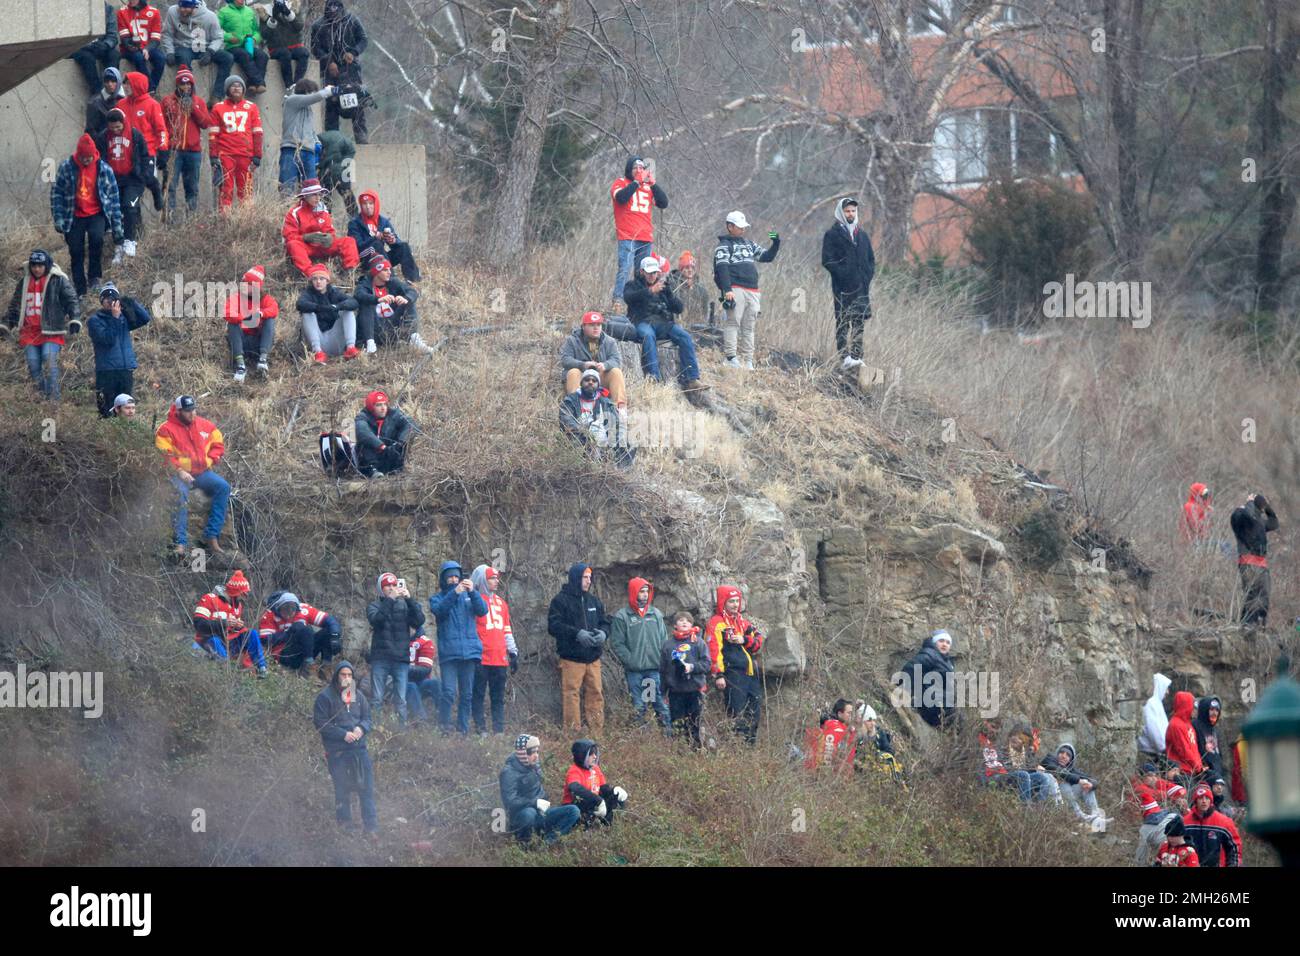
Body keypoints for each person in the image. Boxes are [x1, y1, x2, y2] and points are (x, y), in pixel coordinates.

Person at [2, 250, 81, 402]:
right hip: (29, 332)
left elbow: (71, 300)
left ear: (46, 265)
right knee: (33, 366)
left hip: (51, 329)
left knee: (49, 360)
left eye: (40, 266)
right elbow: (15, 305)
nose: (37, 269)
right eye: (34, 266)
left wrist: (75, 318)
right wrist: (6, 323)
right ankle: (43, 398)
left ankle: (54, 401)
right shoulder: (24, 282)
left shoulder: (58, 279)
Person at [50, 135, 124, 299]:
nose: (86, 160)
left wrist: (117, 226)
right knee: (76, 251)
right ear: (78, 154)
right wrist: (58, 218)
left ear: (94, 154)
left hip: (96, 214)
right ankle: (80, 287)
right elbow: (57, 194)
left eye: (89, 157)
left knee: (96, 242)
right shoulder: (66, 167)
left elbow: (114, 197)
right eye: (83, 157)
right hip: (73, 215)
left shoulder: (104, 169)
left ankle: (94, 278)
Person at [155, 395, 229, 557]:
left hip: (202, 473)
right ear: (178, 411)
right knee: (180, 495)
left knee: (223, 487)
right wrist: (180, 471)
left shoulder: (206, 425)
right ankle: (180, 542)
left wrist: (211, 459)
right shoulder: (165, 429)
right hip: (177, 475)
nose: (192, 414)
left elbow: (218, 444)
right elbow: (163, 455)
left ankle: (211, 535)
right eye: (188, 411)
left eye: (193, 410)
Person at [622, 255, 706, 392]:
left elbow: (679, 308)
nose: (652, 275)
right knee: (648, 337)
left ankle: (692, 378)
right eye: (649, 273)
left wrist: (669, 295)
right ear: (642, 272)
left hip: (663, 323)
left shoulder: (664, 287)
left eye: (654, 272)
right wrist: (649, 291)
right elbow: (629, 298)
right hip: (642, 322)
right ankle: (654, 378)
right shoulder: (632, 285)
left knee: (685, 337)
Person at [313, 660, 378, 835]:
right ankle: (345, 828)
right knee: (342, 791)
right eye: (343, 674)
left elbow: (368, 719)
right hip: (338, 752)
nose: (347, 678)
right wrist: (343, 734)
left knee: (367, 789)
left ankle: (371, 828)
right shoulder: (325, 696)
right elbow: (321, 724)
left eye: (350, 675)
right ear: (337, 676)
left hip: (359, 749)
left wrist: (361, 728)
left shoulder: (357, 695)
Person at [425, 561, 487, 734]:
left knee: (467, 695)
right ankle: (444, 726)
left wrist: (473, 592)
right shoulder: (437, 598)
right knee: (449, 692)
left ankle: (463, 730)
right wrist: (454, 593)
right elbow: (440, 611)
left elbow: (482, 611)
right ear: (444, 579)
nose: (453, 580)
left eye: (456, 577)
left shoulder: (469, 596)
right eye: (450, 577)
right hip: (449, 654)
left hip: (469, 652)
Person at [713, 210, 779, 370]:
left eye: (743, 226)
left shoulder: (749, 244)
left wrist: (776, 242)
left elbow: (766, 257)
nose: (743, 229)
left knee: (749, 326)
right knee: (733, 322)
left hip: (753, 290)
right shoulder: (723, 246)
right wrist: (726, 289)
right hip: (734, 288)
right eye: (739, 226)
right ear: (730, 226)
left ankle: (748, 361)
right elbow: (721, 268)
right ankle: (730, 358)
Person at [548, 562, 609, 733]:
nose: (588, 581)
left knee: (596, 693)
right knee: (571, 695)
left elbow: (605, 621)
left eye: (590, 577)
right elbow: (553, 626)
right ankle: (573, 733)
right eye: (585, 577)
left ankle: (597, 732)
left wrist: (604, 633)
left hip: (593, 658)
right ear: (576, 578)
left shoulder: (594, 600)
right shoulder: (560, 600)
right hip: (571, 658)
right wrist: (577, 633)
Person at [821, 197, 875, 371]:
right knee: (843, 321)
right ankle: (845, 357)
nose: (850, 214)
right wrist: (843, 275)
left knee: (859, 322)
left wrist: (866, 277)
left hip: (861, 287)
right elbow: (827, 260)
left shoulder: (863, 235)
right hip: (842, 287)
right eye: (847, 211)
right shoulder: (832, 234)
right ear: (840, 212)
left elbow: (871, 260)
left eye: (853, 211)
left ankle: (858, 357)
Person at [707, 585, 764, 745]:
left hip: (751, 675)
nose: (735, 605)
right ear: (723, 602)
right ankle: (736, 749)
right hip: (733, 675)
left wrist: (744, 640)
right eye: (731, 601)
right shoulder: (716, 623)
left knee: (755, 712)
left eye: (737, 601)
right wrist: (718, 674)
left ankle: (750, 748)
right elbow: (713, 651)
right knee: (736, 712)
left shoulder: (743, 623)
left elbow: (759, 641)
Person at [610, 576, 670, 729]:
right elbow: (617, 643)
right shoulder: (622, 616)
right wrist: (631, 660)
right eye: (641, 591)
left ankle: (668, 737)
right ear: (633, 592)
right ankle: (640, 739)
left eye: (646, 591)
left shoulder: (655, 614)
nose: (644, 595)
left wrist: (661, 660)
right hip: (635, 671)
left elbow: (664, 640)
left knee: (659, 704)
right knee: (639, 706)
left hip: (653, 670)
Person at [499, 734, 581, 846]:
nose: (536, 756)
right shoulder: (509, 772)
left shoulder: (533, 765)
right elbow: (510, 802)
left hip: (541, 814)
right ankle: (524, 844)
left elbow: (540, 791)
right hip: (521, 817)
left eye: (537, 751)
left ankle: (547, 842)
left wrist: (544, 801)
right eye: (532, 752)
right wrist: (535, 803)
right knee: (529, 813)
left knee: (573, 811)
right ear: (522, 753)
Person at [366, 572, 425, 725]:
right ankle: (376, 730)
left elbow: (419, 621)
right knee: (377, 698)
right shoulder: (374, 606)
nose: (391, 588)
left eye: (394, 585)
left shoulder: (405, 605)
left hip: (401, 658)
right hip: (380, 657)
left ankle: (401, 732)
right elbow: (376, 621)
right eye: (388, 586)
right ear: (381, 589)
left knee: (401, 699)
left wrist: (410, 599)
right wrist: (390, 599)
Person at [93, 108, 149, 264]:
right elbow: (98, 159)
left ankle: (130, 240)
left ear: (123, 122)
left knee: (130, 207)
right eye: (112, 128)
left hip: (133, 179)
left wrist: (144, 176)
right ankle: (118, 245)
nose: (116, 130)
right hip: (113, 180)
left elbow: (145, 156)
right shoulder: (103, 137)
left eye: (118, 127)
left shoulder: (135, 135)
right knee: (115, 212)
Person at [87, 281, 150, 417]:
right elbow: (107, 339)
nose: (110, 302)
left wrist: (131, 302)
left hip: (125, 369)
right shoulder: (95, 320)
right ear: (101, 301)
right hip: (106, 371)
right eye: (106, 299)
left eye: (113, 299)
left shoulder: (124, 318)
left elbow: (145, 318)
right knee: (107, 410)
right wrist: (115, 318)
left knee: (125, 409)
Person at [609, 156, 667, 305]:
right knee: (625, 269)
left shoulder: (647, 188)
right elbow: (621, 198)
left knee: (643, 272)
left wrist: (653, 184)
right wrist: (636, 182)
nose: (639, 170)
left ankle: (639, 301)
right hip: (627, 235)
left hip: (645, 236)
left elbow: (663, 203)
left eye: (641, 168)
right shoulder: (621, 183)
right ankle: (618, 300)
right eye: (635, 167)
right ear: (629, 169)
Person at [311, 0, 370, 143]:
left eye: (336, 12)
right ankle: (332, 140)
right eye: (331, 12)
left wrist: (353, 52)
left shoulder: (352, 20)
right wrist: (328, 61)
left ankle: (361, 137)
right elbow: (315, 47)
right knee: (331, 102)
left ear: (341, 10)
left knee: (357, 101)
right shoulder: (318, 25)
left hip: (351, 69)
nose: (334, 15)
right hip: (330, 71)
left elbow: (363, 39)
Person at [191, 570, 268, 676]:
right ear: (235, 592)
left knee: (252, 633)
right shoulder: (209, 599)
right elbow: (199, 624)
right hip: (209, 640)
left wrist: (237, 627)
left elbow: (233, 630)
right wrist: (224, 623)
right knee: (215, 641)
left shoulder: (237, 605)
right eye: (243, 594)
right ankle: (227, 672)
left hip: (229, 642)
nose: (244, 598)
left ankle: (261, 668)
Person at [470, 564, 517, 736]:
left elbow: (506, 629)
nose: (496, 581)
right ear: (483, 579)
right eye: (492, 578)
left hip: (499, 658)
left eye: (497, 578)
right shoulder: (474, 600)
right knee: (478, 695)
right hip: (481, 657)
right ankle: (480, 730)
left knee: (498, 697)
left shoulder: (502, 603)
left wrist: (513, 652)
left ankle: (499, 731)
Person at [160, 68, 212, 218]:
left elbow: (205, 123)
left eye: (189, 84)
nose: (186, 87)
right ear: (177, 85)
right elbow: (161, 125)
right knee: (169, 186)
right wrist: (163, 148)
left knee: (192, 188)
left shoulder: (199, 102)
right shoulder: (167, 101)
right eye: (183, 84)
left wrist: (193, 109)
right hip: (173, 151)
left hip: (193, 152)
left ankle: (191, 222)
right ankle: (169, 220)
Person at [283, 178, 360, 277]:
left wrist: (330, 238)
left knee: (348, 241)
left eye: (319, 194)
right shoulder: (294, 212)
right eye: (314, 194)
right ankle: (310, 273)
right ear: (305, 196)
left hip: (323, 247)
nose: (318, 198)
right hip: (306, 247)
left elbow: (330, 231)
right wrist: (305, 237)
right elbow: (288, 237)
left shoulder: (323, 210)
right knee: (293, 245)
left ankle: (350, 272)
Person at [208, 75, 263, 210]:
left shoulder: (252, 107)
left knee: (246, 190)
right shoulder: (218, 107)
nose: (236, 87)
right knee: (226, 189)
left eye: (239, 85)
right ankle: (225, 223)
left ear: (244, 89)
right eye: (233, 85)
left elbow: (258, 133)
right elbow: (213, 135)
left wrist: (257, 156)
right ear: (227, 89)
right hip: (225, 155)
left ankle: (245, 222)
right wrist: (213, 156)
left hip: (246, 155)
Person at [162, 0, 233, 102]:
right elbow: (167, 34)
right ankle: (188, 96)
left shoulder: (210, 16)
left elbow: (218, 37)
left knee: (228, 58)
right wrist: (170, 52)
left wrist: (210, 51)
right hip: (183, 46)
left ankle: (217, 95)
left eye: (186, 7)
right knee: (183, 58)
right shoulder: (172, 12)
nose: (182, 10)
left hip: (204, 46)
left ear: (194, 7)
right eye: (180, 6)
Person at [258, 590, 341, 675]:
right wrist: (289, 633)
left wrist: (335, 636)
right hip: (285, 654)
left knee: (328, 631)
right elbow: (265, 640)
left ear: (297, 608)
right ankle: (308, 667)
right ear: (278, 608)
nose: (288, 614)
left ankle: (325, 667)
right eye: (285, 609)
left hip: (307, 648)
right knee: (303, 628)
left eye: (291, 609)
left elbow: (330, 621)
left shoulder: (304, 610)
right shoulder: (270, 615)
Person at [559, 369, 630, 467]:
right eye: (587, 380)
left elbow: (616, 424)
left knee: (626, 441)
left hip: (603, 441)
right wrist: (586, 433)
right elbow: (565, 419)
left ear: (598, 385)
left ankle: (619, 470)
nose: (590, 382)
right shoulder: (570, 400)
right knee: (575, 442)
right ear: (581, 383)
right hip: (579, 438)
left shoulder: (605, 403)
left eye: (594, 380)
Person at [354, 257, 427, 353]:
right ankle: (370, 344)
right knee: (367, 303)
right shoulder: (365, 284)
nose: (389, 272)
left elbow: (412, 292)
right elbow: (359, 295)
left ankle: (414, 338)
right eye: (385, 270)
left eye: (389, 269)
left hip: (392, 328)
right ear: (376, 272)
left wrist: (405, 298)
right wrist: (377, 299)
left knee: (408, 302)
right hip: (373, 329)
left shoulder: (394, 283)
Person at [660, 611, 709, 748]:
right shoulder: (668, 645)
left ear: (692, 624)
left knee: (695, 724)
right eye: (680, 620)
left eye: (687, 620)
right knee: (677, 725)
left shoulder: (698, 643)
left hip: (695, 690)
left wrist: (692, 667)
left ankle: (696, 752)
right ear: (675, 625)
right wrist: (663, 692)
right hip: (676, 691)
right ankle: (680, 753)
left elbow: (706, 664)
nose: (684, 622)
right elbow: (663, 670)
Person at [278, 79, 335, 194]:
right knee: (287, 187)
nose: (313, 95)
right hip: (291, 148)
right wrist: (328, 91)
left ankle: (309, 211)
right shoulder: (292, 100)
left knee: (311, 188)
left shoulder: (308, 109)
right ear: (305, 91)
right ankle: (286, 211)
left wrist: (316, 141)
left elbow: (310, 129)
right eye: (311, 92)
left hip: (308, 152)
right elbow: (314, 98)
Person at [121, 71, 168, 210]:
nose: (125, 86)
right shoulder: (121, 104)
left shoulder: (152, 105)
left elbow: (161, 130)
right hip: (126, 151)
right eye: (124, 83)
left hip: (147, 151)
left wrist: (163, 150)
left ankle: (155, 189)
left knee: (145, 178)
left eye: (128, 83)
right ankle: (136, 221)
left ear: (136, 85)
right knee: (132, 188)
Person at [348, 191, 421, 281]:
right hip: (364, 259)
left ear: (376, 204)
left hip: (381, 258)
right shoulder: (355, 223)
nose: (367, 207)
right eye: (364, 204)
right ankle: (392, 279)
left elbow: (396, 240)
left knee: (403, 246)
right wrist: (375, 237)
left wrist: (393, 240)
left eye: (371, 203)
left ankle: (414, 280)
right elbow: (357, 246)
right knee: (377, 244)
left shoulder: (383, 221)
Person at [222, 264, 277, 381]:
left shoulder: (266, 299)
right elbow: (227, 312)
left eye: (250, 285)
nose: (245, 286)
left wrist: (261, 313)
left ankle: (263, 360)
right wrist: (243, 317)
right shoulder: (235, 297)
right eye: (244, 283)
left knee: (270, 320)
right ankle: (240, 365)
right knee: (232, 324)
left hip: (258, 342)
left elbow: (274, 309)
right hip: (241, 341)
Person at [559, 311, 625, 408]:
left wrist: (605, 365)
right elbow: (565, 360)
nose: (596, 328)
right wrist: (582, 365)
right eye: (592, 325)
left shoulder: (609, 341)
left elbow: (616, 360)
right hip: (581, 377)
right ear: (583, 326)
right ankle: (576, 410)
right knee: (573, 372)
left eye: (598, 325)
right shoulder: (572, 340)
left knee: (616, 372)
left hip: (600, 378)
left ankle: (620, 412)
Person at [1230, 493, 1278, 626]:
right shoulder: (1240, 516)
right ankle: (1248, 629)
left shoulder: (1258, 521)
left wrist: (1266, 506)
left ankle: (1259, 627)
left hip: (1261, 565)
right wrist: (1250, 502)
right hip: (1248, 562)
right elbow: (1247, 516)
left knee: (1263, 598)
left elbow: (1274, 523)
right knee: (1252, 597)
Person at [297, 263, 359, 363]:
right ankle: (317, 352)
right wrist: (320, 308)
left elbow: (354, 302)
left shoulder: (334, 292)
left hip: (335, 339)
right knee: (307, 313)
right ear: (311, 281)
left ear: (327, 280)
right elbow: (300, 304)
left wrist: (337, 307)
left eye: (321, 278)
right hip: (318, 340)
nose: (318, 282)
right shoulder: (308, 293)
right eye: (315, 279)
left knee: (348, 311)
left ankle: (350, 348)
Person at [897, 629, 957, 729]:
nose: (944, 644)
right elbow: (911, 668)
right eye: (941, 641)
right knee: (958, 719)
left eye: (947, 642)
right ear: (934, 642)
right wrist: (900, 688)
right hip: (930, 704)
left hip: (941, 704)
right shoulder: (930, 654)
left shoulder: (947, 661)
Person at [1132, 761, 1188, 866]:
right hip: (1139, 827)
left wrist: (1178, 798)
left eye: (1155, 775)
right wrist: (1171, 798)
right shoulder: (1137, 786)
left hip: (1152, 825)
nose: (1154, 778)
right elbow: (1153, 799)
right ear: (1141, 776)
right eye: (1150, 776)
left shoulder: (1155, 782)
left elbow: (1181, 790)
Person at [563, 740, 628, 829]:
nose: (595, 756)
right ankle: (585, 831)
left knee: (616, 796)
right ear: (582, 756)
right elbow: (575, 788)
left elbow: (602, 788)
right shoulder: (574, 771)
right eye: (591, 754)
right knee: (583, 804)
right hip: (577, 807)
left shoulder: (595, 768)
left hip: (593, 805)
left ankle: (609, 827)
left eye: (595, 753)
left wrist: (615, 790)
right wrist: (598, 801)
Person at [1042, 743, 1108, 830]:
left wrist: (1091, 784)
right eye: (1061, 753)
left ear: (1071, 760)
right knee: (1064, 783)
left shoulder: (1072, 770)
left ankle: (1095, 817)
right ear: (1057, 753)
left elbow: (1093, 780)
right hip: (1048, 797)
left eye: (1068, 755)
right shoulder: (1049, 759)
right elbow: (1060, 773)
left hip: (1065, 798)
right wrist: (1079, 780)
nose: (1064, 756)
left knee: (1087, 786)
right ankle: (1079, 815)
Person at [1182, 782, 1242, 866]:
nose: (1204, 801)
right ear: (1195, 801)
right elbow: (1177, 846)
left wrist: (1232, 865)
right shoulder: (1185, 822)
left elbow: (1234, 848)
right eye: (1200, 798)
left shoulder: (1224, 822)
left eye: (1207, 798)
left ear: (1211, 800)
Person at [354, 389, 412, 477]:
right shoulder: (363, 416)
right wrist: (381, 446)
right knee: (365, 440)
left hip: (389, 455)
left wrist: (401, 443)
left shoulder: (394, 414)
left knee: (405, 437)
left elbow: (411, 424)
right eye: (378, 405)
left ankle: (397, 470)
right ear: (371, 407)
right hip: (371, 459)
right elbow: (362, 431)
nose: (383, 408)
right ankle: (372, 471)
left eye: (385, 404)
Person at [218, 0, 268, 94]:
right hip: (232, 46)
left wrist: (254, 39)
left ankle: (251, 84)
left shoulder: (249, 11)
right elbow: (216, 30)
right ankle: (260, 83)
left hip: (249, 45)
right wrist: (229, 37)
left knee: (262, 56)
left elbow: (257, 31)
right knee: (244, 55)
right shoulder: (224, 11)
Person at [117, 0, 165, 92]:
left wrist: (147, 49)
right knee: (139, 57)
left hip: (148, 46)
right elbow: (125, 38)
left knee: (161, 58)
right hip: (130, 48)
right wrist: (136, 48)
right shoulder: (122, 12)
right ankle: (149, 88)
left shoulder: (154, 12)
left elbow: (156, 39)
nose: (130, 1)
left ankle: (152, 87)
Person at [261, 0, 310, 90]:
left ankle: (297, 84)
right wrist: (273, 17)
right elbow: (265, 35)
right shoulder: (264, 10)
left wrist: (288, 13)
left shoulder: (294, 7)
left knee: (304, 53)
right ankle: (289, 85)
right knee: (285, 54)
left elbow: (299, 27)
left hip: (294, 46)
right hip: (276, 48)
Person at [72, 5, 120, 98]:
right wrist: (86, 45)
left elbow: (113, 36)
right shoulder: (75, 5)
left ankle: (111, 88)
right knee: (87, 58)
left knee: (114, 55)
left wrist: (105, 44)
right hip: (80, 47)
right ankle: (97, 92)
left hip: (100, 45)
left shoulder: (107, 8)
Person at [855, 704, 905, 779]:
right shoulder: (855, 734)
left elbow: (889, 751)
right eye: (869, 720)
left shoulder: (879, 733)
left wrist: (877, 756)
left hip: (880, 765)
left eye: (874, 720)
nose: (873, 723)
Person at [667, 251, 714, 330]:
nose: (690, 270)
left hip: (698, 326)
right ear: (681, 269)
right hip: (680, 324)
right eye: (687, 267)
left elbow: (705, 310)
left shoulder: (701, 288)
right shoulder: (674, 285)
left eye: (692, 267)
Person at [805, 699, 856, 772]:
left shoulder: (831, 726)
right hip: (826, 775)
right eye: (849, 713)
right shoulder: (838, 730)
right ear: (840, 714)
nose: (852, 717)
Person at [1165, 689, 1206, 780]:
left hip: (1192, 771)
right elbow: (1184, 750)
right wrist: (1198, 767)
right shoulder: (1175, 725)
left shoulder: (1188, 725)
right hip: (1181, 773)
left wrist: (1199, 766)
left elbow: (1194, 749)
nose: (1196, 710)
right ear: (1186, 706)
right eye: (1193, 707)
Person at [316, 129, 358, 217]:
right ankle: (355, 220)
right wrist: (344, 163)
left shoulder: (319, 139)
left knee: (325, 198)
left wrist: (320, 166)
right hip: (341, 171)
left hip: (329, 171)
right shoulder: (341, 137)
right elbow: (352, 150)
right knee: (348, 197)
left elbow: (317, 160)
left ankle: (326, 221)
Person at [406, 621, 440, 725]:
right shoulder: (396, 640)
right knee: (411, 686)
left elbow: (425, 669)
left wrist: (405, 669)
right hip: (400, 682)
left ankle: (444, 719)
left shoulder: (425, 642)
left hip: (419, 681)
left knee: (435, 683)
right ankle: (421, 720)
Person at [1137, 672, 1171, 762]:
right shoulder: (1150, 704)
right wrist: (1164, 748)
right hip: (1149, 754)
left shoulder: (1157, 704)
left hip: (1160, 752)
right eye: (1166, 688)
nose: (1167, 692)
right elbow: (1154, 730)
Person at [86, 66, 126, 136]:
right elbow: (90, 129)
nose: (110, 84)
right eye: (107, 81)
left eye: (113, 81)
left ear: (118, 81)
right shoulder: (95, 103)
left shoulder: (127, 99)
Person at [1193, 695, 1224, 780]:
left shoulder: (1215, 729)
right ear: (1205, 709)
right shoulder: (1195, 726)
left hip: (1217, 775)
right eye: (1211, 709)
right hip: (1203, 775)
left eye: (1217, 710)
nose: (1214, 713)